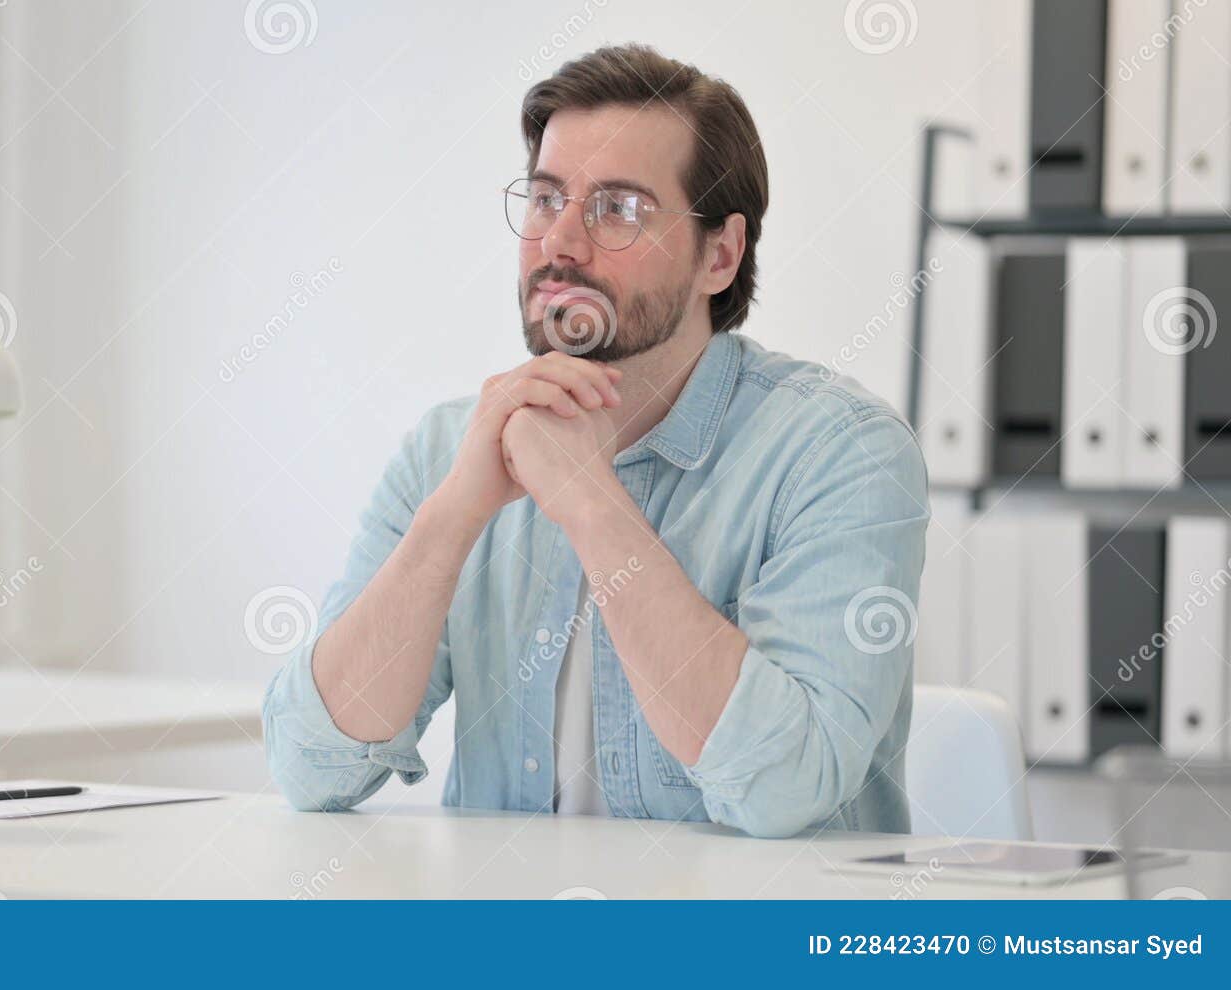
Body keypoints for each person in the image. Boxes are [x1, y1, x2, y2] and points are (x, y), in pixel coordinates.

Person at [262, 43, 928, 838]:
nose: (560, 244)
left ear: (720, 254)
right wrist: (451, 521)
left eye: (618, 209)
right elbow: (312, 770)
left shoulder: (840, 454)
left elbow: (786, 790)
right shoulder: (450, 447)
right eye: (546, 199)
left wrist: (588, 499)